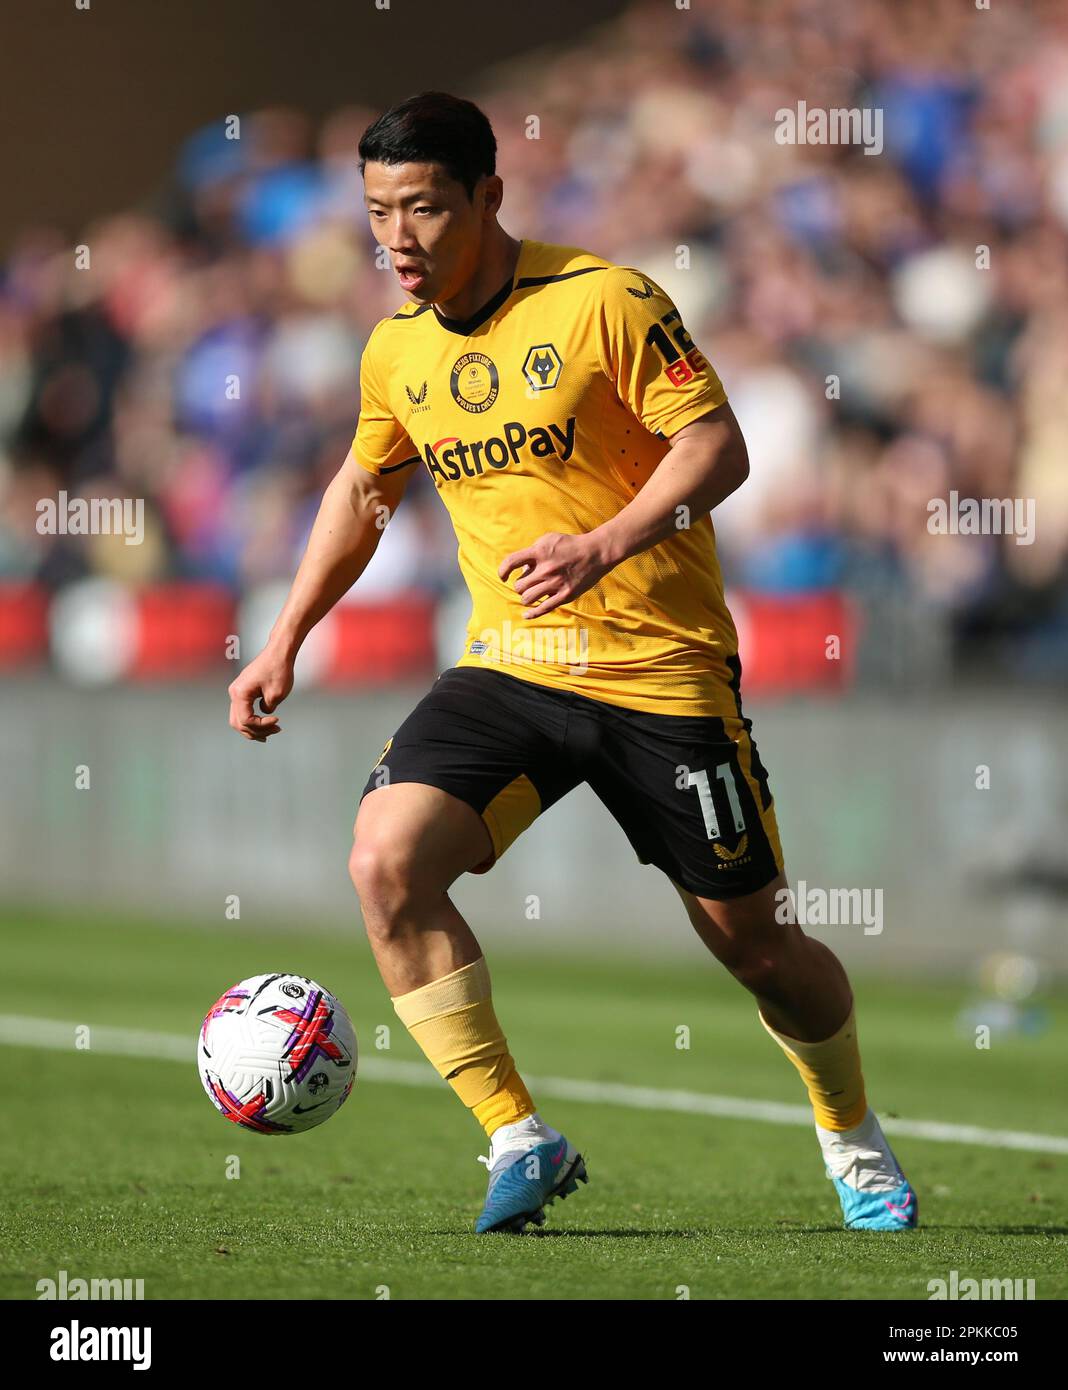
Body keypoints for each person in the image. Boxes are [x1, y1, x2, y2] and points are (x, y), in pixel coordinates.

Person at [227, 91, 917, 1236]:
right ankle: (518, 1135)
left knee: (757, 950)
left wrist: (609, 541)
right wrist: (288, 635)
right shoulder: (395, 351)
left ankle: (851, 1135)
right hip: (510, 666)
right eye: (378, 213)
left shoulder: (606, 301)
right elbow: (362, 491)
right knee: (385, 863)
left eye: (428, 209)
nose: (399, 238)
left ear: (490, 197)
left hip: (662, 670)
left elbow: (718, 444)